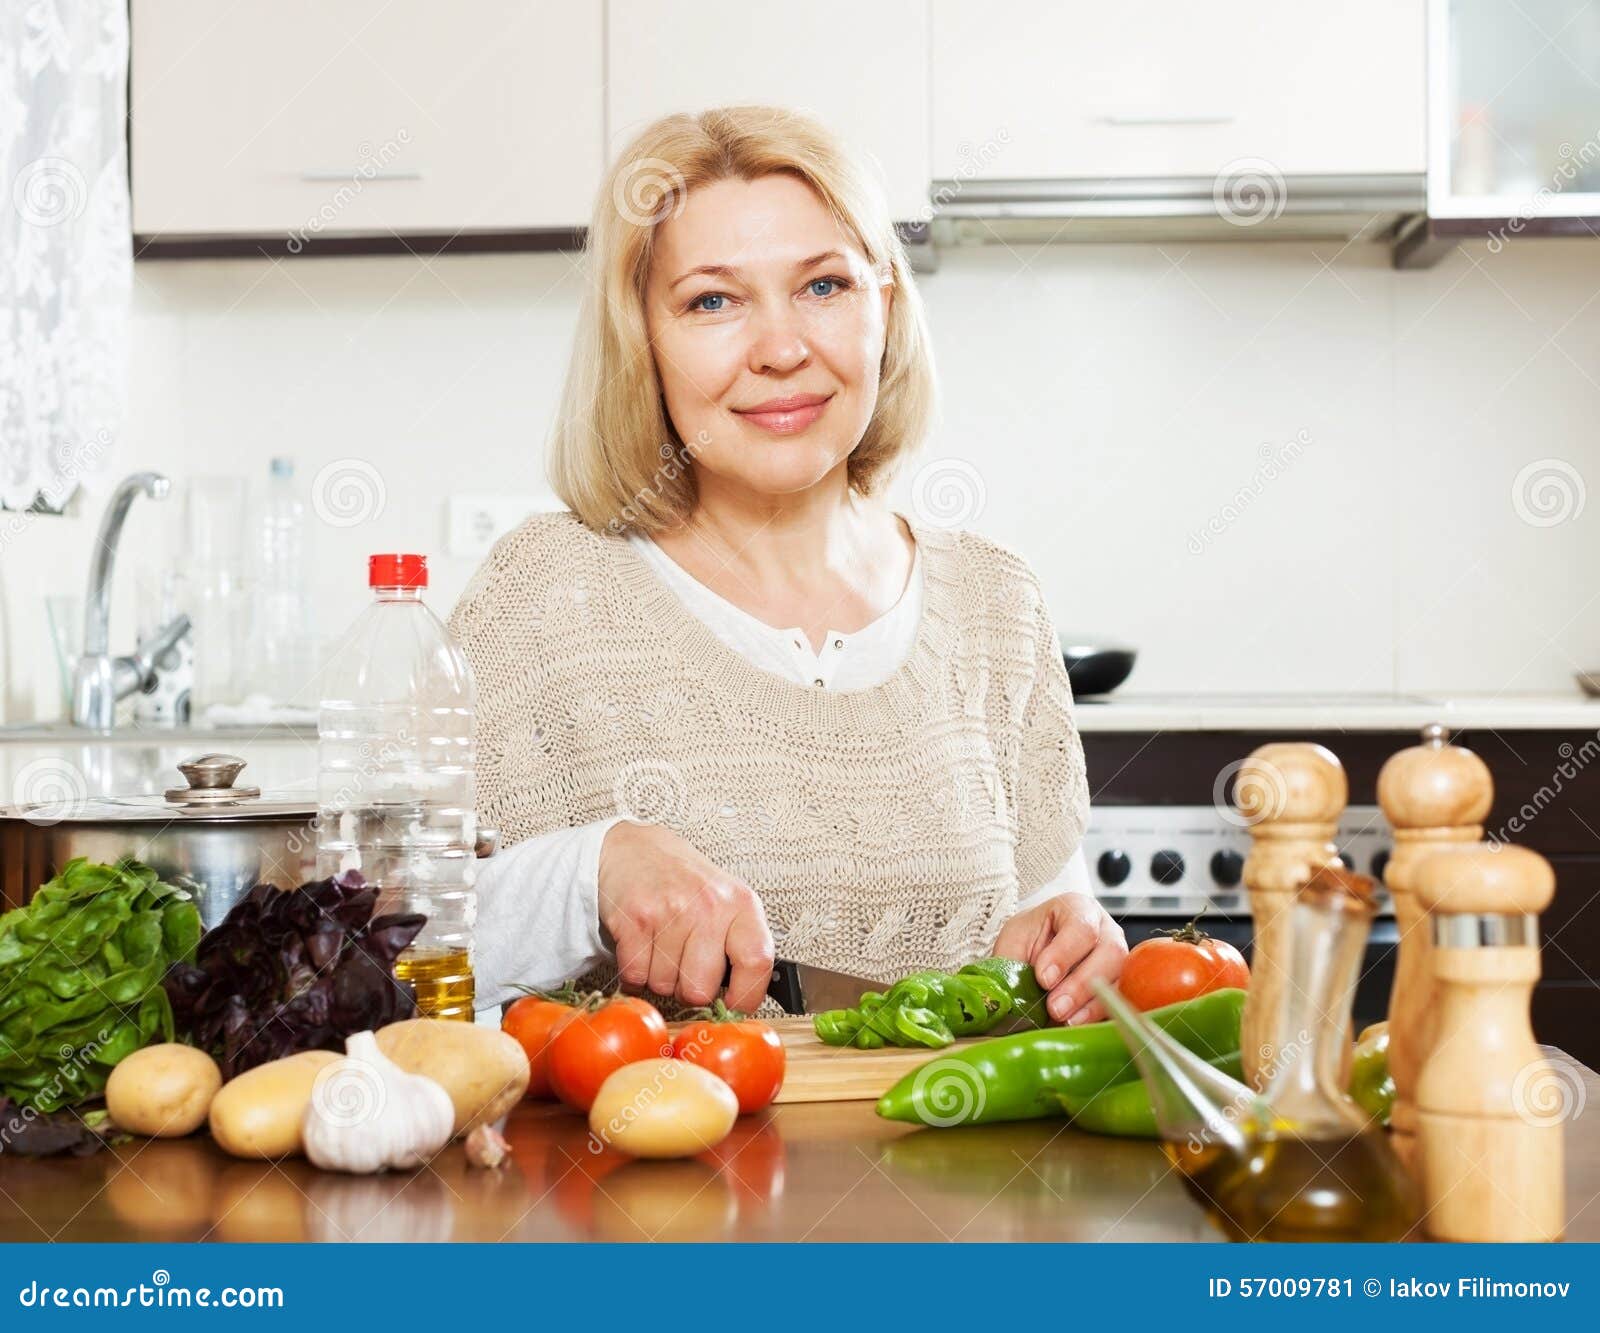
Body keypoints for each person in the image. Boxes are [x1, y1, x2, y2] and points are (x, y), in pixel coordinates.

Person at [449, 105, 1126, 1025]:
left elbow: (1045, 922)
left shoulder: (995, 602)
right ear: (640, 338)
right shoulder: (541, 597)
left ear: (884, 305)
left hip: (957, 1167)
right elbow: (396, 948)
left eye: (823, 287)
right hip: (644, 1167)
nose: (781, 349)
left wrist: (1075, 939)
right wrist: (593, 867)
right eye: (712, 301)